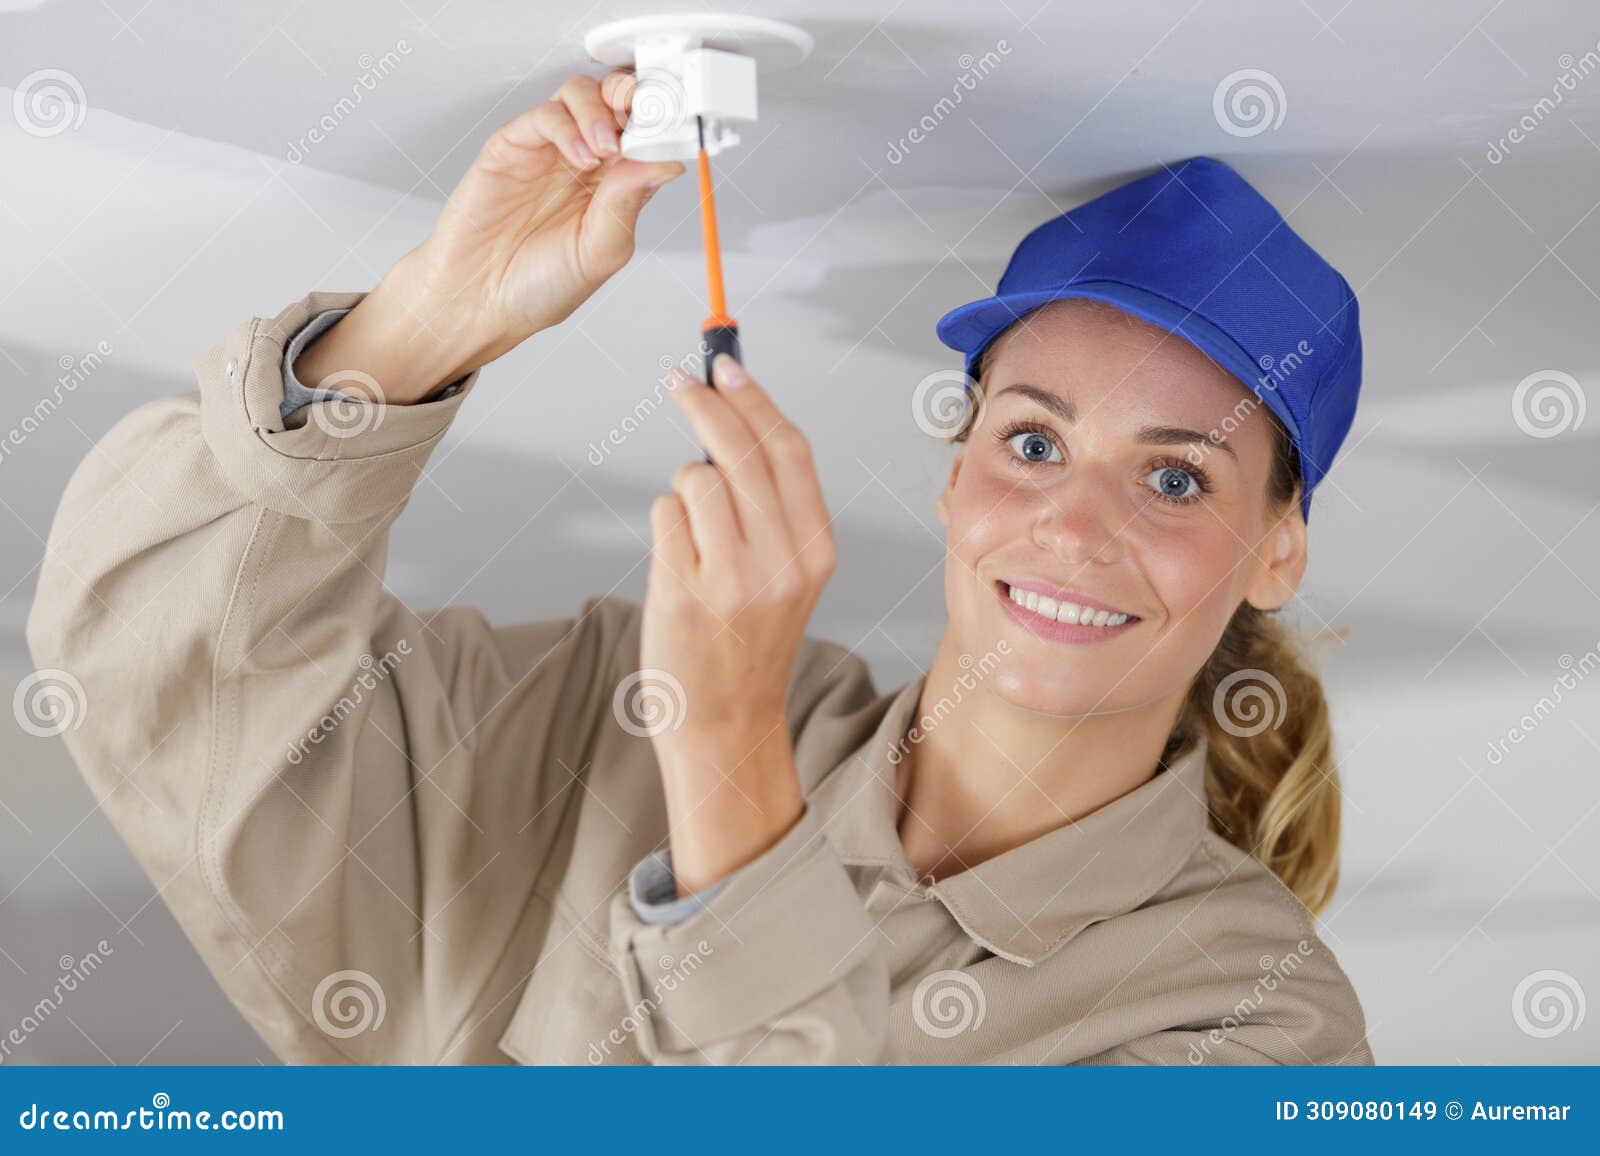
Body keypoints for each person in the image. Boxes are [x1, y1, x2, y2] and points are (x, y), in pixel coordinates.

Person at [28, 70, 1372, 1064]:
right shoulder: (606, 712)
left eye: (1176, 476)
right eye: (1033, 440)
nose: (1074, 528)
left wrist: (727, 761)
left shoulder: (1251, 1018)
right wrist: (431, 314)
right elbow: (153, 661)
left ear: (1277, 549)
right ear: (957, 472)